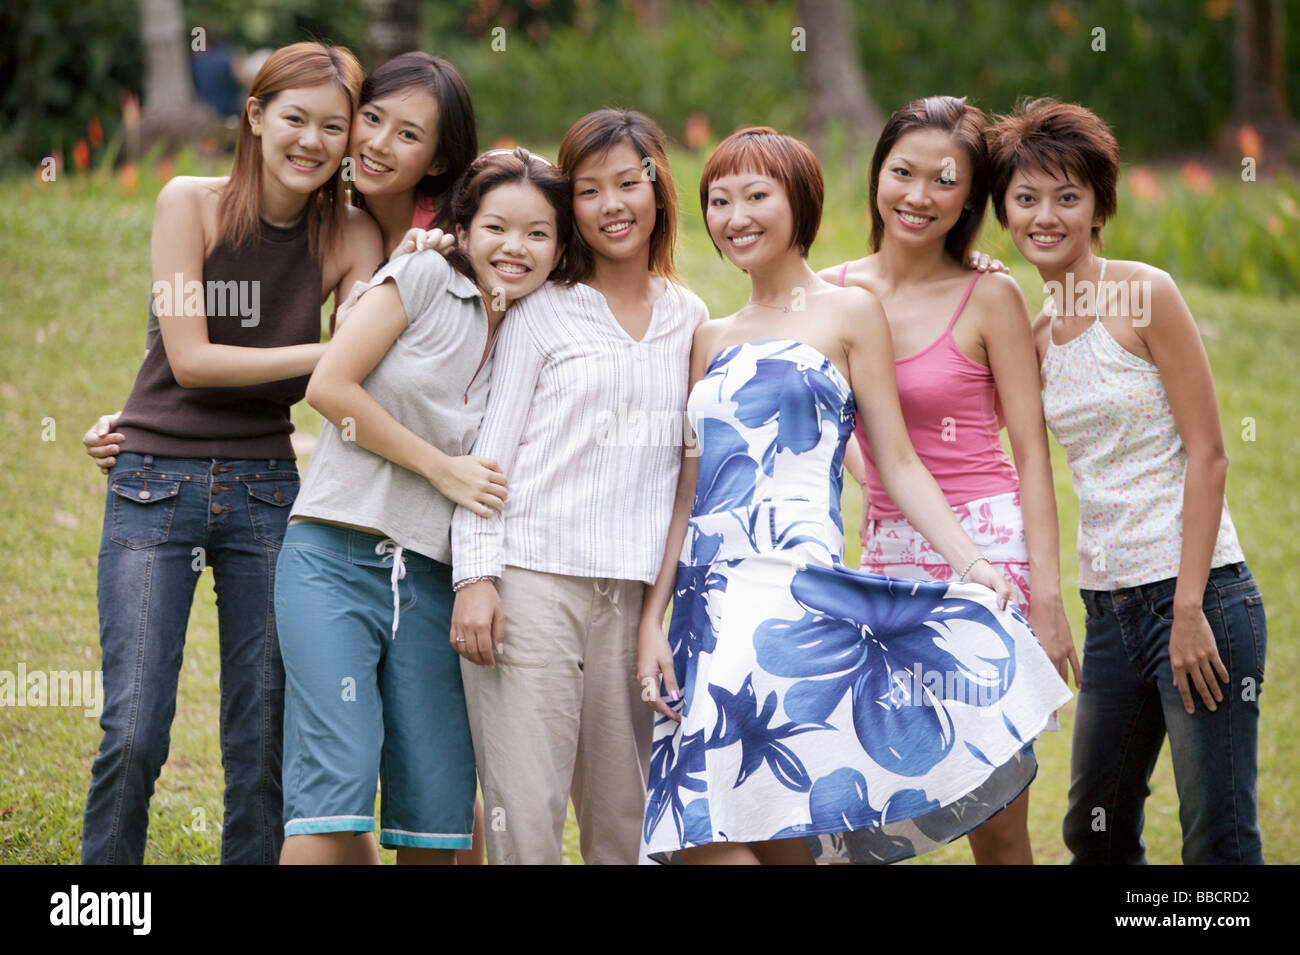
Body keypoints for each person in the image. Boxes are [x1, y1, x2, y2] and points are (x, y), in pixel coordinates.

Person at [637, 127, 1071, 865]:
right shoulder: (708, 337)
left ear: (800, 202)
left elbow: (896, 461)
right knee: (704, 834)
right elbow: (689, 489)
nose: (735, 215)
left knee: (778, 822)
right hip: (707, 605)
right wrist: (653, 619)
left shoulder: (848, 313)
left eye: (756, 196)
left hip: (793, 593)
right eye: (718, 200)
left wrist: (972, 563)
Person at [82, 41, 380, 865]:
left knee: (262, 738)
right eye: (293, 118)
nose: (311, 141)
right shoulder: (191, 203)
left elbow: (375, 346)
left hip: (268, 492)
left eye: (333, 125)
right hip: (151, 480)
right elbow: (192, 359)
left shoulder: (353, 235)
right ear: (254, 118)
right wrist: (324, 353)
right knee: (135, 727)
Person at [987, 98, 1266, 864]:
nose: (1046, 215)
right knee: (1093, 829)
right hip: (1108, 611)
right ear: (1003, 209)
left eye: (1067, 196)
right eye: (1026, 197)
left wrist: (1186, 607)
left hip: (1201, 597)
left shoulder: (1145, 294)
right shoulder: (1036, 335)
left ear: (1099, 207)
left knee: (1219, 839)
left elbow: (1210, 454)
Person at [274, 147, 569, 865]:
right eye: (497, 226)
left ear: (561, 250)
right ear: (462, 231)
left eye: (538, 233)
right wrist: (444, 469)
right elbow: (329, 387)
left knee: (434, 813)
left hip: (439, 581)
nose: (515, 247)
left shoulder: (545, 333)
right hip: (335, 558)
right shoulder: (424, 275)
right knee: (332, 798)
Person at [818, 95, 1080, 864]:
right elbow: (841, 430)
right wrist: (872, 479)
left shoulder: (990, 294)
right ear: (877, 175)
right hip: (885, 561)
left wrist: (1047, 595)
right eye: (903, 172)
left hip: (987, 558)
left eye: (944, 180)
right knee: (866, 802)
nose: (918, 195)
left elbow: (1032, 455)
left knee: (996, 816)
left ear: (969, 198)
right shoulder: (830, 291)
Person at [444, 110, 709, 864]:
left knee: (625, 819)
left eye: (629, 183)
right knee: (525, 814)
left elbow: (687, 473)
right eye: (589, 190)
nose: (611, 204)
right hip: (531, 585)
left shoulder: (689, 318)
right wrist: (477, 577)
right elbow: (487, 458)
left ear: (659, 187)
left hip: (631, 602)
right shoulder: (541, 309)